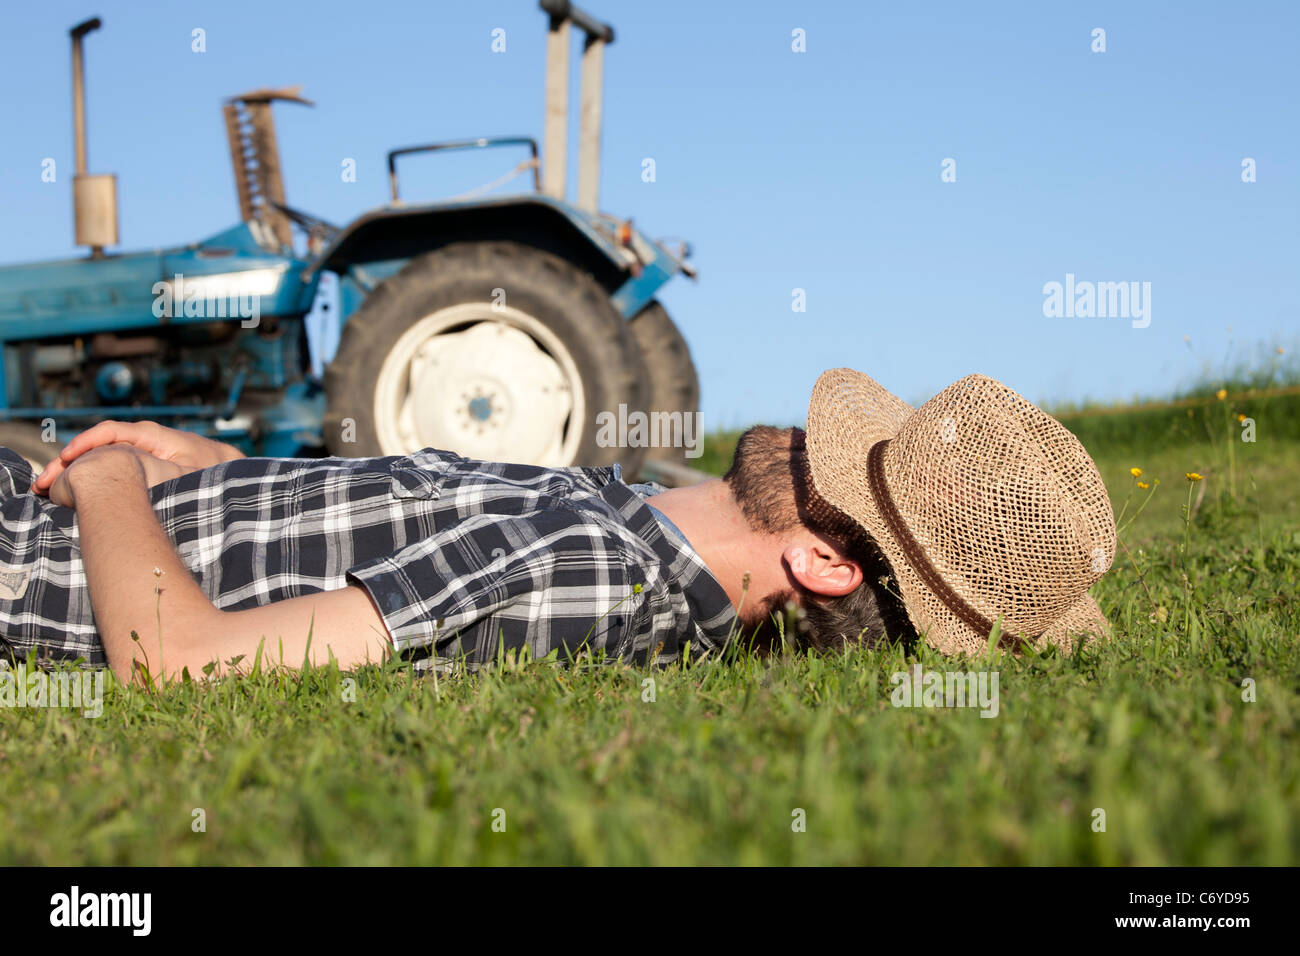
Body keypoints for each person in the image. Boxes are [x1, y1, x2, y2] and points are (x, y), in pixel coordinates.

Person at [1, 369, 1114, 684]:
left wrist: (107, 474)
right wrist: (227, 469)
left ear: (821, 559)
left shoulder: (586, 568)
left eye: (858, 476)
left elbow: (179, 656)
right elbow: (368, 528)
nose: (814, 429)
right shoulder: (613, 511)